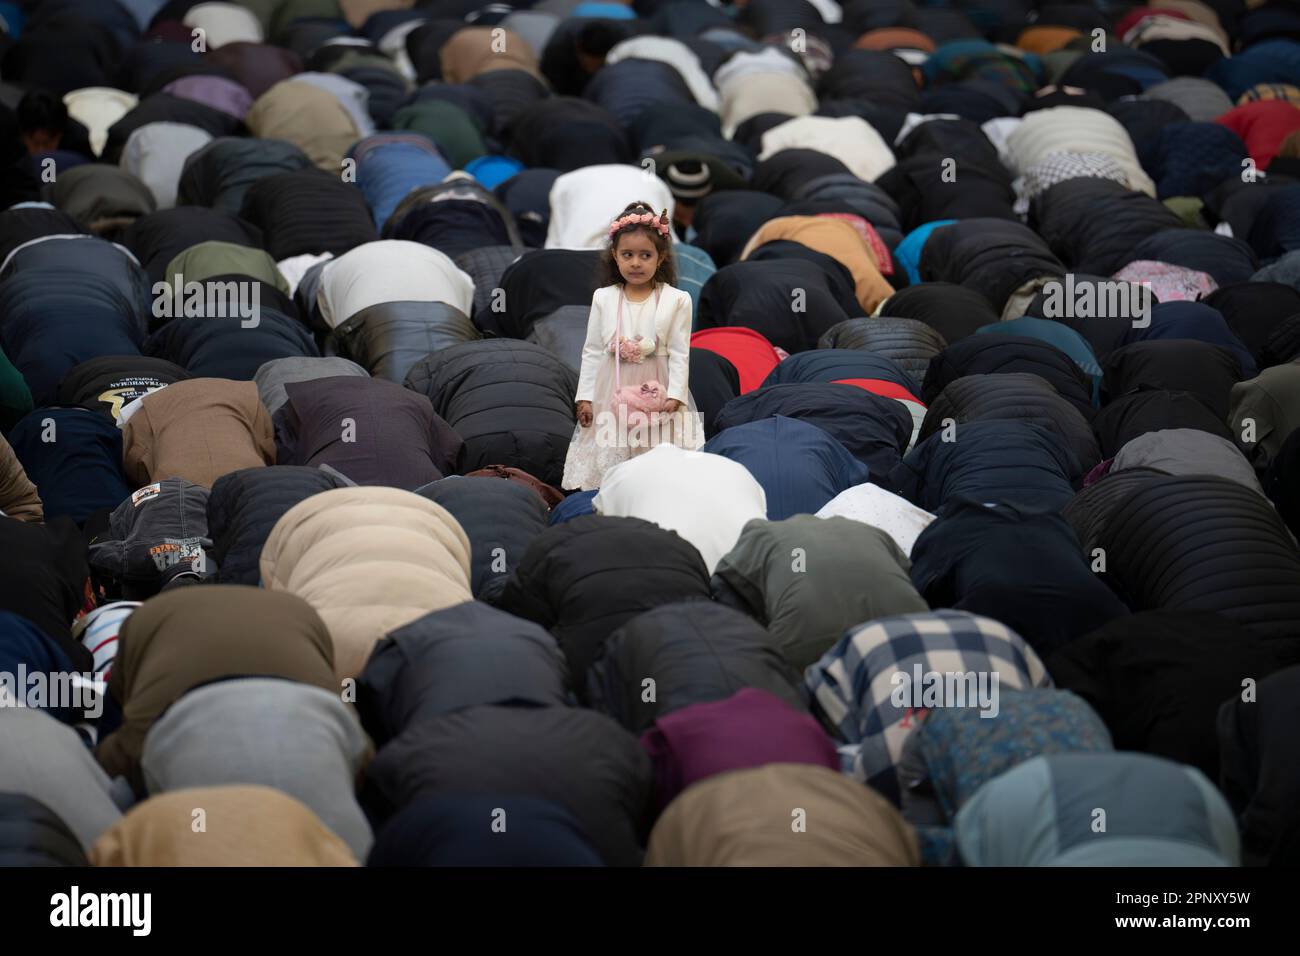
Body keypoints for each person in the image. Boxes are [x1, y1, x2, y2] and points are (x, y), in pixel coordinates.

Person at [563, 201, 702, 491]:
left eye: (645, 255)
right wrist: (585, 397)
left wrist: (676, 394)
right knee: (613, 447)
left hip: (658, 386)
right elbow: (591, 350)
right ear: (615, 256)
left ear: (660, 257)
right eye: (627, 255)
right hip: (610, 386)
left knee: (657, 451)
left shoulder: (677, 299)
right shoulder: (604, 297)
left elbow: (679, 352)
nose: (635, 263)